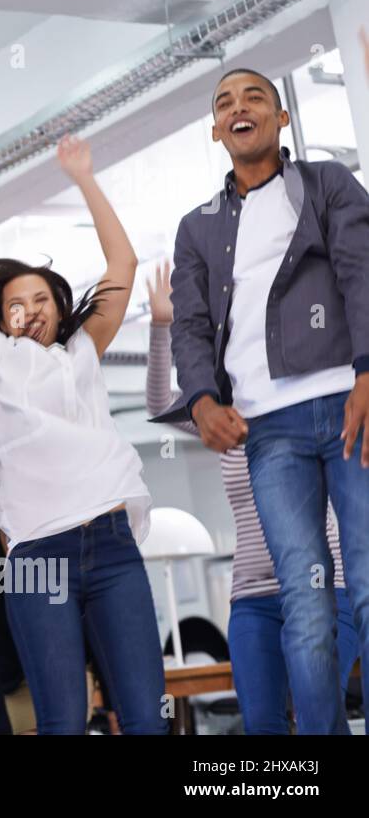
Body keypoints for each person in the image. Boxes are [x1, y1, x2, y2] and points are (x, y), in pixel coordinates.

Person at [0, 109, 165, 735]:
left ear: (59, 311)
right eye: (15, 305)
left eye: (41, 302)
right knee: (63, 719)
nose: (30, 312)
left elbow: (124, 264)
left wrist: (84, 178)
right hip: (40, 559)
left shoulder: (84, 349)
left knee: (143, 717)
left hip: (113, 546)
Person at [154, 68, 369, 733]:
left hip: (346, 403)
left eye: (254, 98)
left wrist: (367, 372)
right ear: (216, 131)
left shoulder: (327, 183)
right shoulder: (198, 228)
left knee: (366, 586)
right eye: (225, 104)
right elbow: (188, 325)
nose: (238, 108)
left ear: (279, 119)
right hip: (267, 429)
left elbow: (362, 270)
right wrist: (200, 401)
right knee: (306, 603)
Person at [145, 260, 359, 733]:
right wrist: (162, 326)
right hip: (253, 595)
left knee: (315, 717)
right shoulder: (227, 416)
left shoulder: (317, 396)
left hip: (324, 585)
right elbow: (162, 405)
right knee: (262, 724)